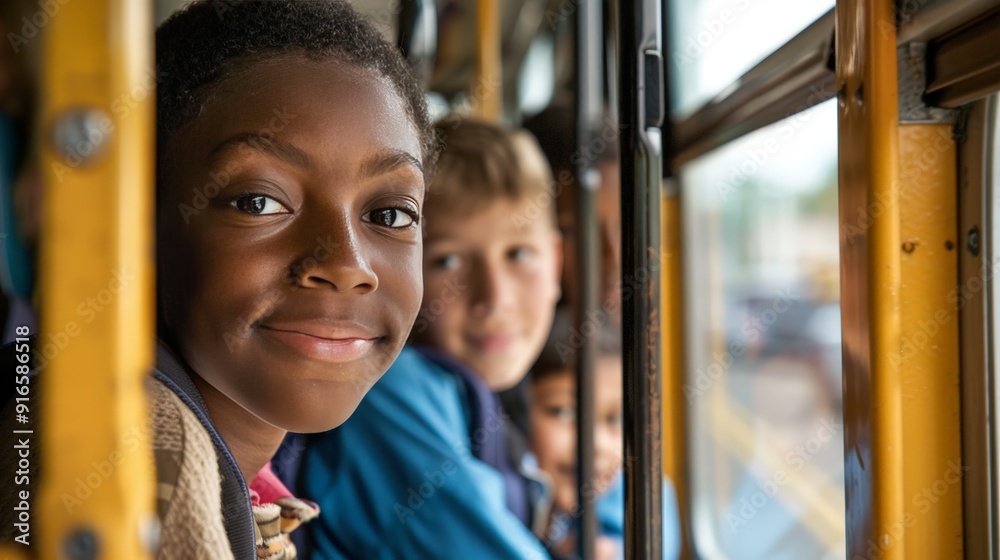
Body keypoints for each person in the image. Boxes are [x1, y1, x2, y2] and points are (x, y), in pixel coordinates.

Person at [2, 1, 437, 558]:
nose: (347, 263)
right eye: (258, 202)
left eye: (390, 214)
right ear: (136, 221)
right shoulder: (148, 456)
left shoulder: (242, 484)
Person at [293, 116, 563, 558]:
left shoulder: (507, 402)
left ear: (556, 263)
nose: (493, 298)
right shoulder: (390, 390)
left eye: (518, 254)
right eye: (449, 261)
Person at [528, 309, 682, 560]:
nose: (595, 444)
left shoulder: (636, 495)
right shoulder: (501, 501)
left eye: (616, 419)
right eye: (564, 412)